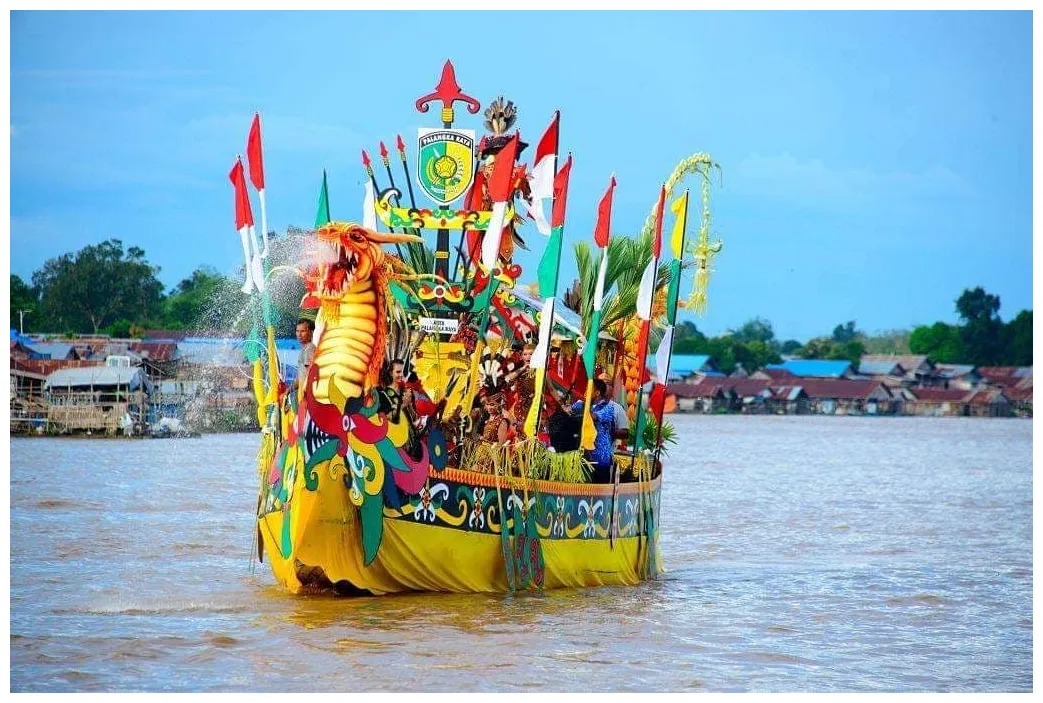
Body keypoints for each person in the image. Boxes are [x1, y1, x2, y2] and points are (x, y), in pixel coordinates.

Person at [570, 378, 629, 483]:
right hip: (582, 458)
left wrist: (582, 406)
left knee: (599, 493)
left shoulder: (609, 408)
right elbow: (568, 412)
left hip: (601, 460)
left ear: (597, 393)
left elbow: (592, 417)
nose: (585, 391)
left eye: (589, 389)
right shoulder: (580, 404)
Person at [295, 318, 316, 389]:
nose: (299, 334)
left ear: (311, 332)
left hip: (308, 394)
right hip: (303, 393)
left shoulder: (309, 349)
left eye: (303, 331)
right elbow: (302, 376)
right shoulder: (305, 349)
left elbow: (310, 374)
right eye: (297, 331)